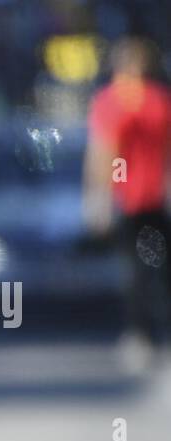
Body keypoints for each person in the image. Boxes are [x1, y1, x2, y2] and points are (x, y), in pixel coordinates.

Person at [84, 36, 171, 369]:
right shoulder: (155, 100)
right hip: (145, 198)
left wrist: (98, 196)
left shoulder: (116, 102)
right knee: (151, 268)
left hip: (137, 198)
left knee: (141, 269)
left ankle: (143, 333)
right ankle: (146, 332)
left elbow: (102, 152)